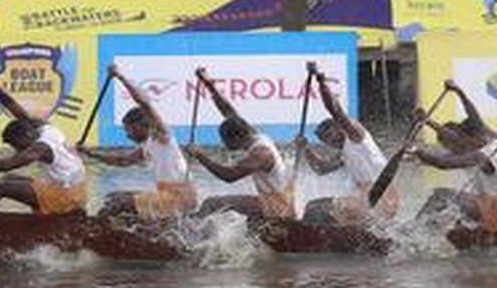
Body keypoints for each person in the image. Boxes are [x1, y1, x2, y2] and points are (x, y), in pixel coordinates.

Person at [0, 63, 88, 226]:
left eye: (17, 145)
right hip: (73, 188)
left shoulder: (40, 148)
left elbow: (6, 164)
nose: (17, 150)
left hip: (65, 195)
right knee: (10, 179)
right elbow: (9, 103)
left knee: (3, 187)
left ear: (26, 135)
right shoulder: (42, 126)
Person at [78, 66, 197, 220]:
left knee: (119, 204)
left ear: (142, 125)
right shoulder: (148, 145)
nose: (127, 135)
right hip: (167, 195)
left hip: (179, 199)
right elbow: (122, 161)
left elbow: (145, 104)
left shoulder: (162, 136)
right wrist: (90, 153)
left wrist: (120, 77)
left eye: (129, 130)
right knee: (112, 197)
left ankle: (93, 231)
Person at [411, 81, 497, 232]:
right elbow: (469, 124)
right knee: (449, 202)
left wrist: (417, 151)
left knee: (441, 195)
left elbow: (443, 163)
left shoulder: (480, 155)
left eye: (452, 146)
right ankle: (426, 230)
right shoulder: (493, 140)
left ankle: (414, 231)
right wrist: (458, 92)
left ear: (466, 138)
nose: (453, 150)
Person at [185, 68, 293, 220]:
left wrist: (199, 155)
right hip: (271, 201)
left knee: (212, 204)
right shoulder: (251, 133)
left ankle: (187, 234)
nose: (223, 144)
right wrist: (209, 85)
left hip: (279, 207)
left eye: (225, 140)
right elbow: (228, 110)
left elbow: (229, 176)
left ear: (237, 137)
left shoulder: (260, 154)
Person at [302, 67, 396, 224]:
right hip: (368, 203)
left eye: (329, 137)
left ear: (339, 127)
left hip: (380, 200)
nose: (330, 143)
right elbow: (321, 169)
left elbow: (335, 110)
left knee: (314, 208)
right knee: (324, 213)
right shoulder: (345, 153)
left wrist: (321, 82)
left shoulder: (356, 137)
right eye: (325, 142)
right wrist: (305, 148)